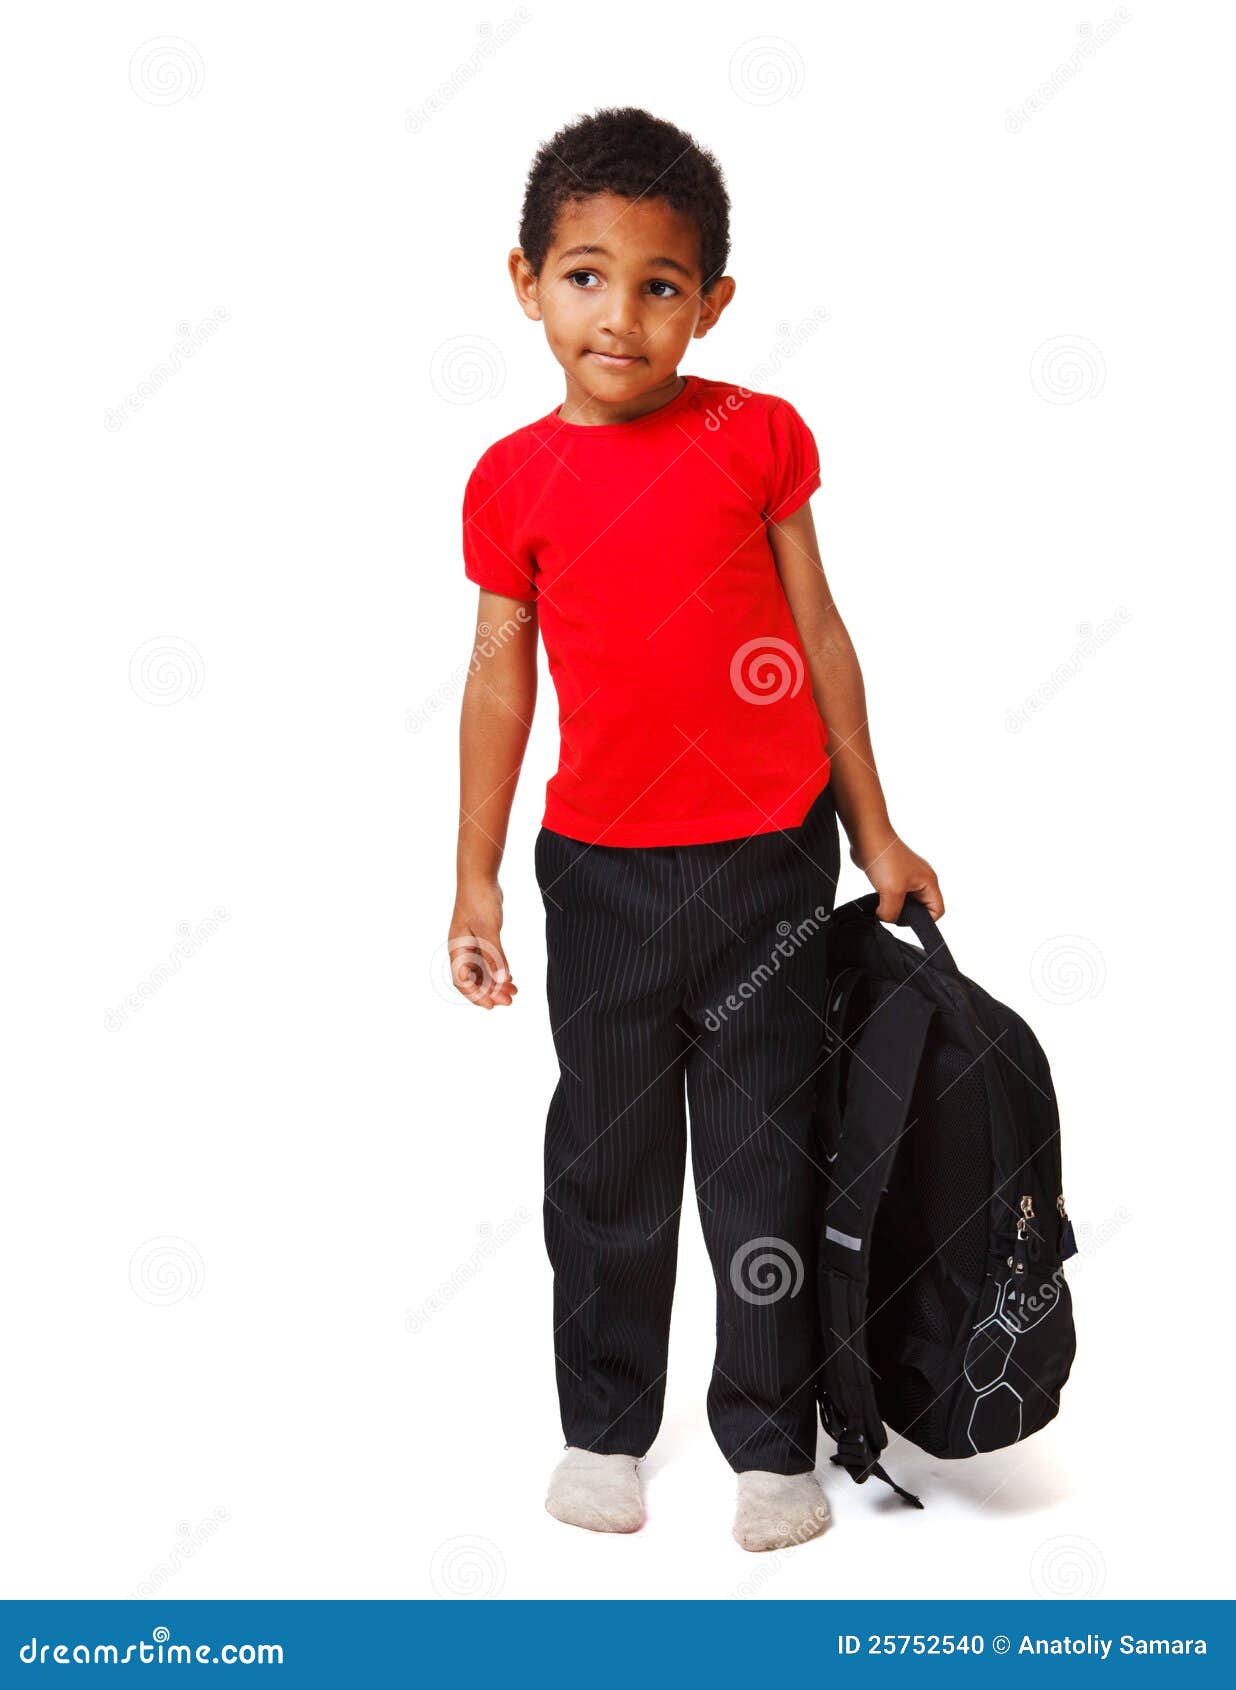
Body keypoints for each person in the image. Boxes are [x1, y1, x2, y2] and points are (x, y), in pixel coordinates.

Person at [449, 106, 943, 1552]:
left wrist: (878, 830)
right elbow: (498, 676)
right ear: (527, 280)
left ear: (711, 301)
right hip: (597, 872)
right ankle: (604, 1428)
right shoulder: (512, 478)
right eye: (587, 274)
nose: (622, 313)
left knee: (760, 1160)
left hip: (769, 863)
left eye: (661, 284)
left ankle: (770, 1444)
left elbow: (821, 630)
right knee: (605, 1166)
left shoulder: (759, 435)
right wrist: (472, 876)